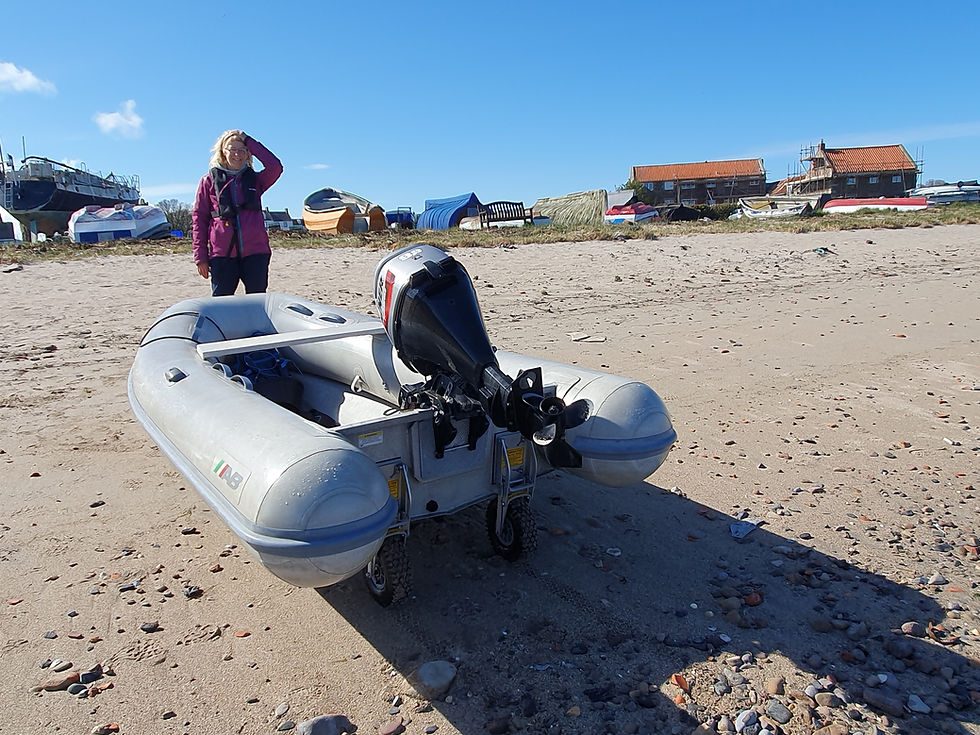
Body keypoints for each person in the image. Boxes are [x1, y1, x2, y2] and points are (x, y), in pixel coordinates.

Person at [192, 130, 283, 296]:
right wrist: (201, 257)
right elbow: (199, 219)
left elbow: (275, 166)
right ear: (222, 152)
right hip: (222, 255)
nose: (237, 154)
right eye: (232, 149)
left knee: (257, 302)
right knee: (221, 306)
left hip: (256, 254)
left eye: (242, 150)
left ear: (248, 153)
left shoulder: (256, 180)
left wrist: (248, 140)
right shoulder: (208, 181)